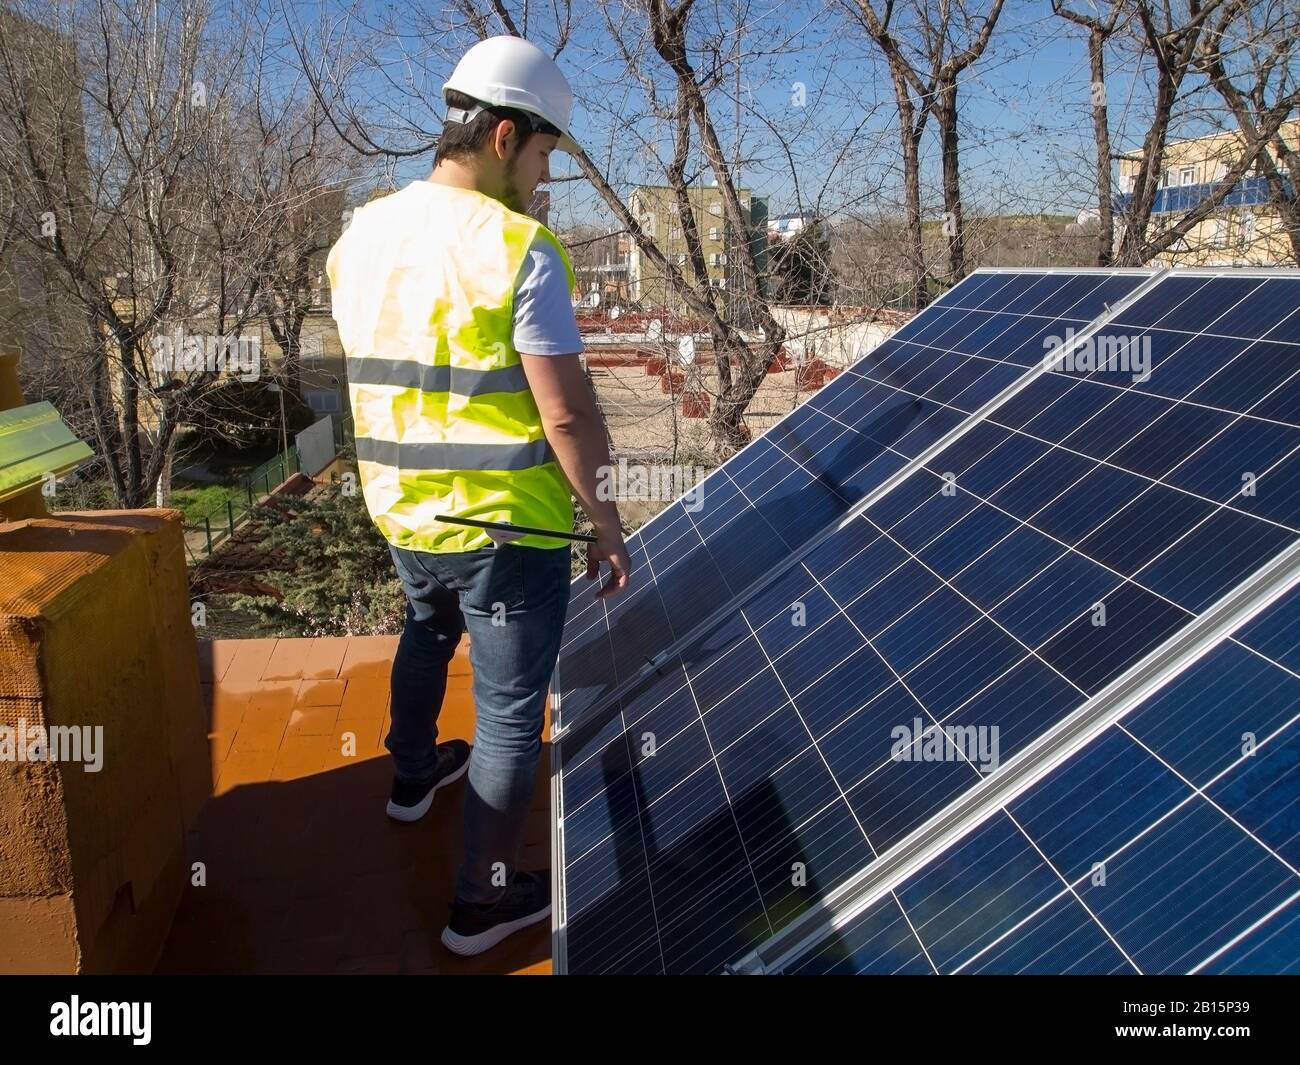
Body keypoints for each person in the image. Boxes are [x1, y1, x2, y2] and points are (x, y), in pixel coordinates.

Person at [326, 35, 632, 958]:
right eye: (543, 157)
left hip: (403, 513)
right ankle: (480, 901)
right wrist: (607, 520)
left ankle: (411, 775)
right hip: (506, 531)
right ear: (503, 136)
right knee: (507, 714)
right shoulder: (520, 251)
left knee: (424, 633)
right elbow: (568, 413)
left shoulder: (360, 235)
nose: (544, 181)